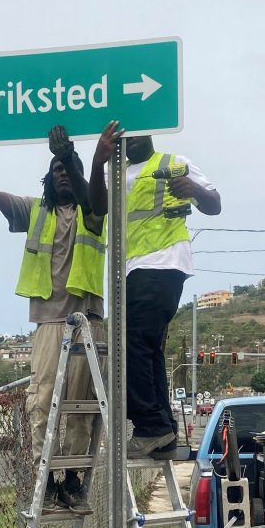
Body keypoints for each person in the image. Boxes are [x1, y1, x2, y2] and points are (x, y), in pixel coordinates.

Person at [0, 128, 106, 513]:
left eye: (70, 167)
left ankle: (73, 480)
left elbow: (95, 200)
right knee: (42, 401)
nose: (63, 172)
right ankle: (47, 481)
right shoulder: (35, 211)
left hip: (89, 322)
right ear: (47, 179)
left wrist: (77, 159)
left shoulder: (93, 210)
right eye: (56, 168)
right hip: (48, 322)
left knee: (82, 404)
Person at [89, 123, 221, 457]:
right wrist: (97, 161)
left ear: (149, 132)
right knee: (147, 349)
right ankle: (162, 429)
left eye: (134, 135)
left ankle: (150, 426)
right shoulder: (115, 173)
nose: (129, 143)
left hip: (163, 263)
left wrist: (191, 186)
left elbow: (214, 203)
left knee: (130, 344)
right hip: (135, 269)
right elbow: (96, 206)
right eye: (123, 139)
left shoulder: (173, 161)